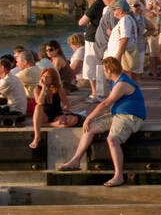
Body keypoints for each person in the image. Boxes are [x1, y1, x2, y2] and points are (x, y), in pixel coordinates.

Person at [57, 55, 146, 187]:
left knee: (112, 139)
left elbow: (105, 104)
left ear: (109, 70)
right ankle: (75, 160)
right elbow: (107, 108)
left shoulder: (122, 83)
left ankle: (119, 175)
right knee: (90, 128)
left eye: (104, 70)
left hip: (131, 117)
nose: (104, 73)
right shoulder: (114, 82)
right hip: (117, 115)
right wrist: (90, 121)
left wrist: (88, 117)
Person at [28, 67, 82, 149]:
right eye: (43, 76)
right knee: (38, 106)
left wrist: (65, 112)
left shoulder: (58, 88)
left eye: (47, 77)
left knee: (71, 121)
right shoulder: (37, 89)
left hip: (56, 114)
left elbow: (66, 104)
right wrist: (43, 89)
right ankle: (37, 136)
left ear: (53, 78)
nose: (45, 78)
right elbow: (40, 102)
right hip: (44, 115)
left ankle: (45, 125)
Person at [77, 0, 105, 100]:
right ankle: (100, 91)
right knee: (100, 64)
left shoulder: (96, 5)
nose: (87, 0)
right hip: (101, 38)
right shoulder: (104, 4)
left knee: (92, 66)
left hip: (92, 38)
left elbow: (81, 22)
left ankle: (95, 93)